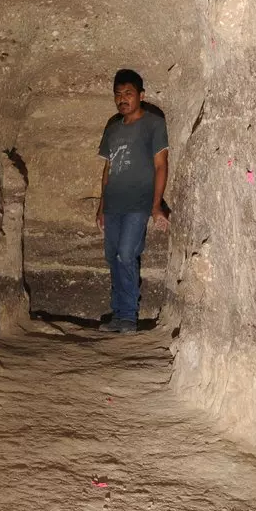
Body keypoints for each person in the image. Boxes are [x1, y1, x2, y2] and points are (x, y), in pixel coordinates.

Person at [95, 69, 169, 333]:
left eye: (128, 94)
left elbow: (161, 166)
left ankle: (128, 315)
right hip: (114, 203)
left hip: (139, 202)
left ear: (141, 95)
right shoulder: (112, 127)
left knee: (127, 254)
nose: (122, 99)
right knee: (112, 257)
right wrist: (101, 207)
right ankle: (117, 314)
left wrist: (156, 205)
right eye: (118, 95)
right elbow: (108, 169)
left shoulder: (153, 124)